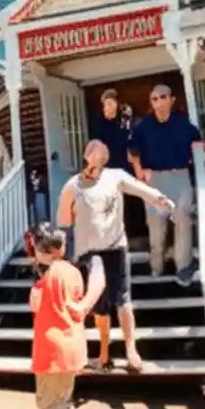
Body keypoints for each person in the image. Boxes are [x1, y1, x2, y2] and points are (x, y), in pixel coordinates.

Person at [57, 139, 174, 374]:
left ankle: (131, 350)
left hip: (115, 246)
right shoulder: (72, 186)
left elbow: (140, 189)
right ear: (86, 156)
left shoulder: (115, 176)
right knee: (100, 308)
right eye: (94, 154)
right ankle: (103, 354)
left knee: (122, 299)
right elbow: (63, 221)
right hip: (88, 251)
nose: (98, 159)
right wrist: (64, 253)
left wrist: (160, 199)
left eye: (103, 156)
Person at [128, 83, 203, 287]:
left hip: (179, 177)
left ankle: (183, 267)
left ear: (171, 100)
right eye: (154, 99)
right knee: (156, 229)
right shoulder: (144, 127)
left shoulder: (184, 126)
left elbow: (198, 147)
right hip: (155, 181)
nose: (159, 102)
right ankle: (156, 270)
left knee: (183, 218)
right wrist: (140, 172)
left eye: (163, 98)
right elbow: (132, 153)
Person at [28, 221, 86, 409]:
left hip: (50, 351)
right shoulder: (74, 272)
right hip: (71, 347)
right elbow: (78, 298)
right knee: (64, 400)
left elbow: (34, 304)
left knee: (49, 404)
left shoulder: (43, 280)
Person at [91, 88, 132, 170]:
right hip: (106, 168)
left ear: (116, 104)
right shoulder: (99, 123)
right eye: (104, 105)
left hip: (123, 166)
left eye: (109, 104)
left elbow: (128, 139)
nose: (106, 108)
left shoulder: (123, 121)